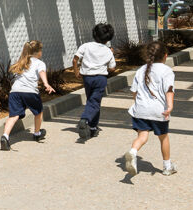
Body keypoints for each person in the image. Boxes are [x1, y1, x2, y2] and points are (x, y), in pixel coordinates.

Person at [122, 40, 176, 177]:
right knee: (163, 137)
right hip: (159, 110)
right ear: (165, 55)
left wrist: (138, 104)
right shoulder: (166, 71)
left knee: (142, 136)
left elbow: (134, 91)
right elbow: (169, 90)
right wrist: (170, 106)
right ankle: (167, 166)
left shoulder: (141, 70)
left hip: (141, 109)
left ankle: (133, 151)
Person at [0, 40, 52, 150]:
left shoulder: (21, 62)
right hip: (30, 91)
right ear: (38, 52)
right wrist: (46, 84)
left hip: (15, 91)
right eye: (41, 50)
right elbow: (42, 72)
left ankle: (5, 136)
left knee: (13, 115)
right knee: (38, 112)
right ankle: (37, 133)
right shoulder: (39, 63)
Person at [73, 23, 116, 141]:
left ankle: (93, 127)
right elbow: (112, 68)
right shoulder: (108, 51)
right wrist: (109, 59)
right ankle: (85, 119)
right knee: (95, 102)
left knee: (91, 101)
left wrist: (76, 72)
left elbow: (75, 59)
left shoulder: (86, 46)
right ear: (109, 38)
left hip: (87, 78)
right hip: (100, 78)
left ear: (94, 34)